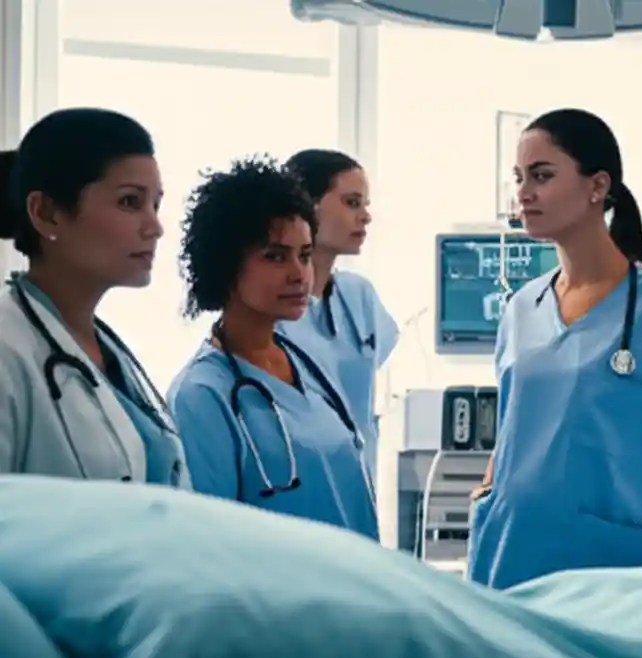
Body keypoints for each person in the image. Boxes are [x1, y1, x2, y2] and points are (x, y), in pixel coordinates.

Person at [466, 108, 642, 590]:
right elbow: (513, 426)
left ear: (597, 186)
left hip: (615, 561)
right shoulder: (522, 307)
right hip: (510, 548)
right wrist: (487, 492)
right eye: (519, 178)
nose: (524, 193)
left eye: (542, 176)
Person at [166, 156, 378, 539]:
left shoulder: (310, 367)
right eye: (275, 257)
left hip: (356, 589)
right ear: (226, 264)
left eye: (305, 255)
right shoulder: (202, 396)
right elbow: (207, 545)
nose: (299, 273)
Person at [0, 108, 190, 488]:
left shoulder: (107, 352)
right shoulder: (8, 347)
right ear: (47, 213)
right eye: (129, 202)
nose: (154, 227)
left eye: (156, 204)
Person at [278, 149, 397, 486]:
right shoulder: (274, 308)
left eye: (365, 204)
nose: (365, 216)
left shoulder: (359, 297)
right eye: (352, 202)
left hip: (360, 478)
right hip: (303, 478)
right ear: (307, 205)